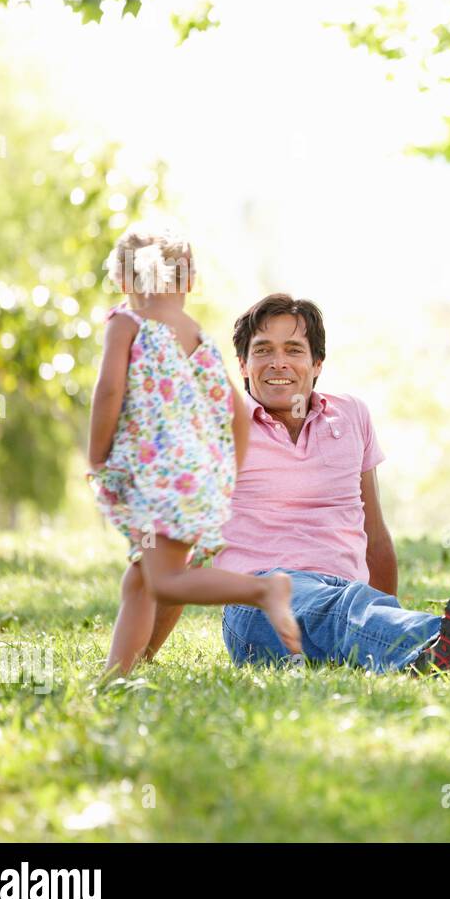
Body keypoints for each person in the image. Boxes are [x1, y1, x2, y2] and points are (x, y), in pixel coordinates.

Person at [139, 293, 450, 673]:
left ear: (317, 364)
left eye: (294, 350)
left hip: (350, 597)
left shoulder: (350, 417)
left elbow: (374, 534)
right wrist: (141, 655)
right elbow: (178, 552)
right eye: (263, 350)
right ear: (243, 365)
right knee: (328, 604)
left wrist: (390, 613)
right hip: (257, 606)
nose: (278, 362)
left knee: (347, 607)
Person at [88, 225, 300, 677]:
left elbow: (109, 391)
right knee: (141, 581)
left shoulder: (127, 323)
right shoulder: (198, 337)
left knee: (165, 582)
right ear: (187, 283)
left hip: (157, 479)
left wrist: (96, 453)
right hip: (198, 478)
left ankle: (264, 591)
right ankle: (115, 677)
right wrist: (226, 476)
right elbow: (237, 414)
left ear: (125, 281)